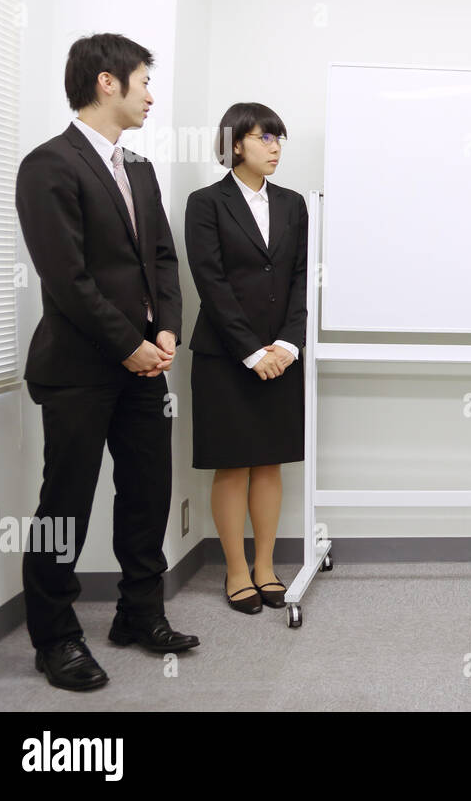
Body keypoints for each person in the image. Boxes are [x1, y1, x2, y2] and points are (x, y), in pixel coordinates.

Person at [16, 33, 199, 692]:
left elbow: (162, 262)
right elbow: (67, 279)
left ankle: (139, 614)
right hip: (79, 369)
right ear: (106, 82)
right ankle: (56, 639)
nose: (151, 94)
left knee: (146, 491)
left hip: (146, 366)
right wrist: (130, 343)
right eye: (144, 81)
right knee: (65, 502)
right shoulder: (48, 166)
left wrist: (169, 330)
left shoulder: (141, 170)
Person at [185, 103, 307, 614]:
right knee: (233, 466)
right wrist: (252, 351)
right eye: (264, 138)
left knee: (269, 463)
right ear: (236, 143)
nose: (275, 147)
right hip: (225, 356)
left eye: (279, 138)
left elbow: (302, 277)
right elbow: (209, 283)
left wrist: (287, 344)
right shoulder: (206, 203)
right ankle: (236, 570)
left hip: (282, 355)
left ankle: (265, 566)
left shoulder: (294, 203)